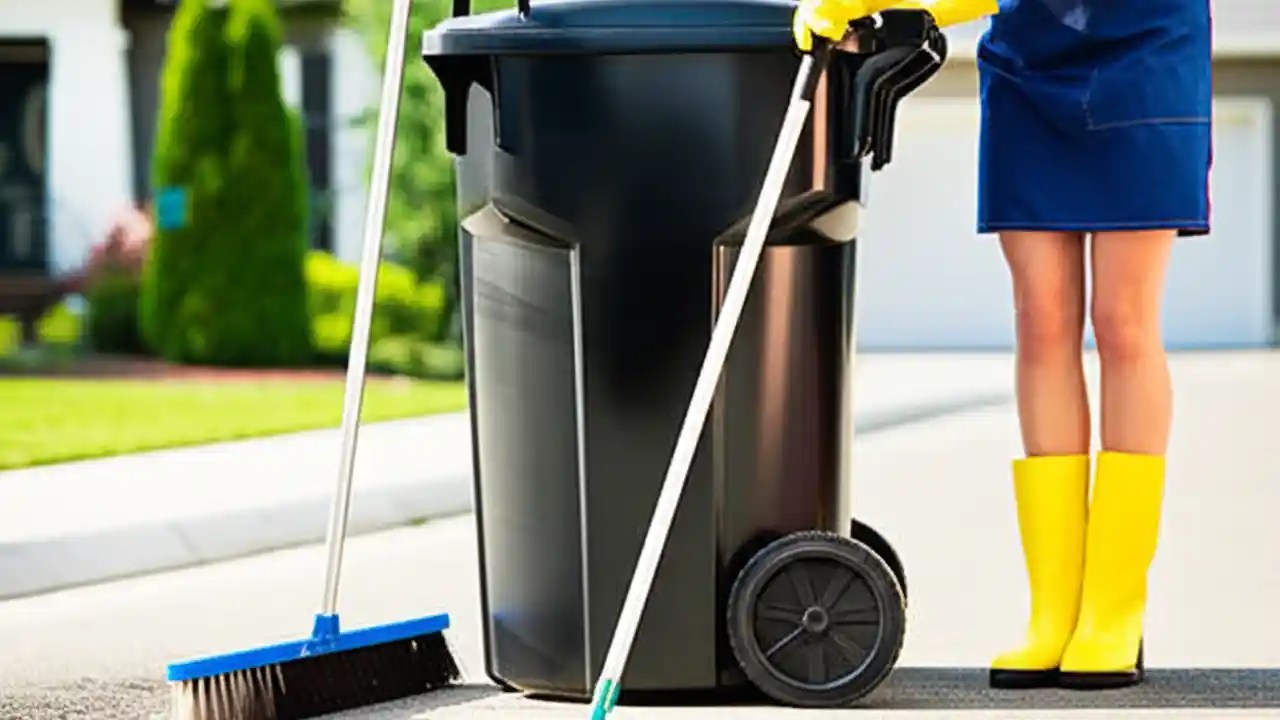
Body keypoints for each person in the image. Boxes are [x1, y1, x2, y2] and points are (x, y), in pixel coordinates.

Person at [794, 0, 1212, 692]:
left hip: (1147, 50)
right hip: (1029, 64)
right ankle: (1054, 610)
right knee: (1041, 319)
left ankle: (1112, 607)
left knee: (1123, 319)